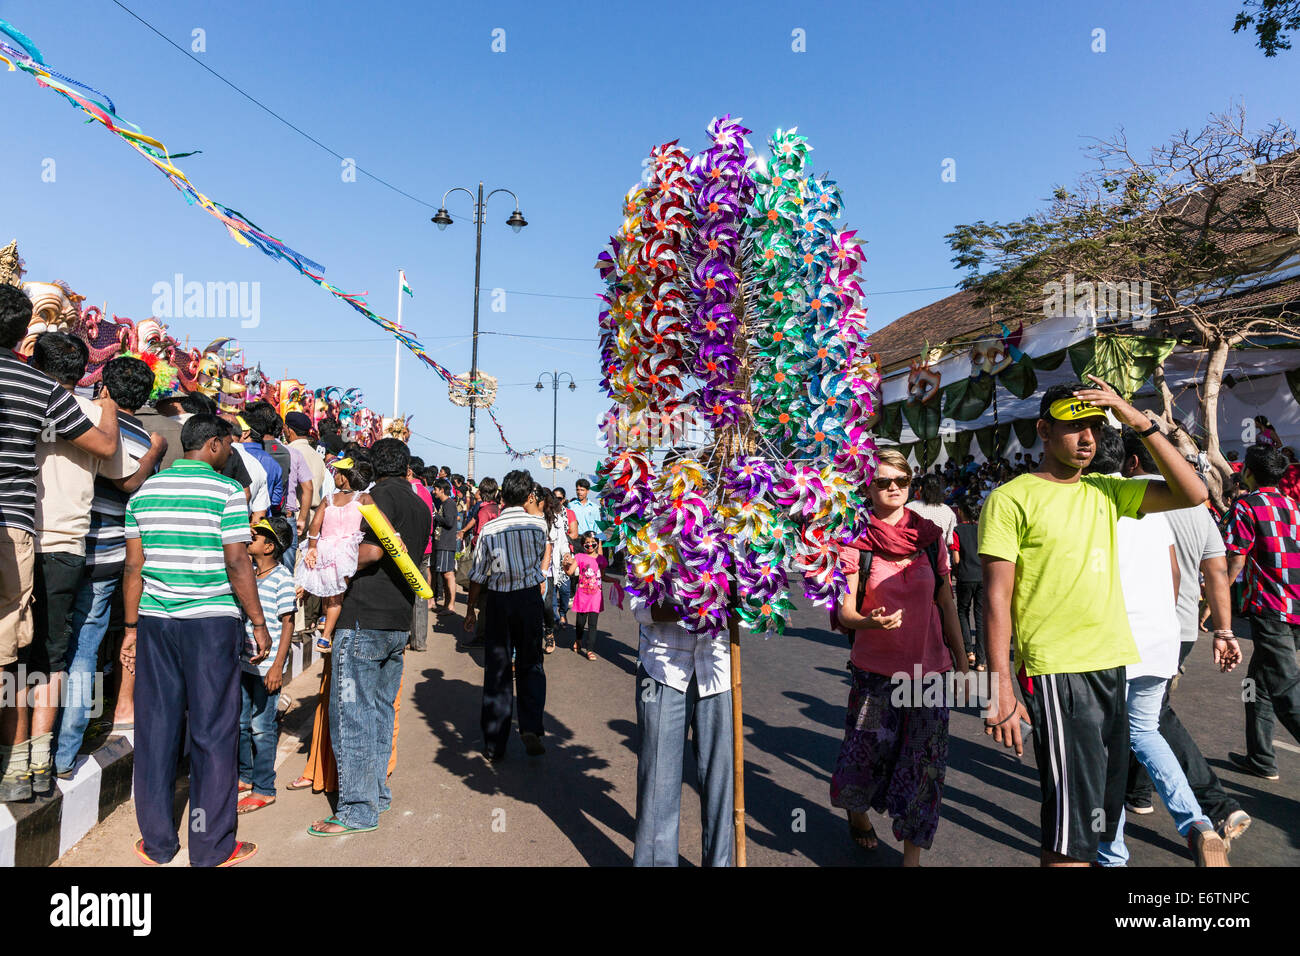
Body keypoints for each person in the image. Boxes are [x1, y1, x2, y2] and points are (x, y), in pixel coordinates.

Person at [979, 377, 1210, 867]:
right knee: (1071, 831)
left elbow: (1194, 493)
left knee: (1097, 822)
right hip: (1059, 673)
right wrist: (1000, 686)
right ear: (1043, 429)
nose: (1087, 438)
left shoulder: (1108, 490)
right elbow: (996, 599)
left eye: (1095, 428)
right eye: (1073, 427)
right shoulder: (1010, 499)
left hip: (1114, 666)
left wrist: (1137, 419)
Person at [122, 414, 267, 866]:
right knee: (212, 732)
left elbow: (133, 568)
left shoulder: (145, 492)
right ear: (216, 445)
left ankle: (159, 842)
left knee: (157, 730)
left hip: (156, 623)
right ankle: (210, 846)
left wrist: (130, 629)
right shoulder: (226, 492)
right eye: (229, 445)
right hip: (210, 624)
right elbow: (238, 562)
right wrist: (258, 622)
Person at [1083, 426, 1229, 866]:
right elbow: (1175, 575)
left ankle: (1112, 852)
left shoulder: (1090, 501)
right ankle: (1199, 824)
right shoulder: (1152, 503)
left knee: (1107, 749)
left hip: (1112, 641)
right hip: (1160, 636)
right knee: (1144, 732)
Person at [0, 285, 120, 804]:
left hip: (33, 541)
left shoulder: (44, 397)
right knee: (36, 659)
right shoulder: (55, 401)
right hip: (46, 542)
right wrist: (109, 407)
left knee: (20, 661)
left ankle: (20, 764)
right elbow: (110, 451)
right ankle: (33, 768)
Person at [831, 449, 968, 865]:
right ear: (867, 488)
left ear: (911, 485)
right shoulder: (854, 539)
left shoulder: (929, 536)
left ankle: (912, 858)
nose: (892, 488)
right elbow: (844, 611)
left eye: (901, 482)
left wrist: (962, 662)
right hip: (874, 678)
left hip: (928, 676)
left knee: (925, 766)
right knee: (865, 751)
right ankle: (857, 812)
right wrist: (868, 622)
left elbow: (946, 602)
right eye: (882, 482)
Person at [1118, 429, 1251, 846]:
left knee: (1151, 720)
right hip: (1182, 629)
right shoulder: (1198, 507)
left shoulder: (1134, 495)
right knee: (1148, 714)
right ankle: (1137, 793)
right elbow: (1216, 573)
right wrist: (1224, 630)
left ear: (1134, 463)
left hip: (1140, 626)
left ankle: (1215, 806)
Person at [308, 438, 429, 837]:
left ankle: (358, 809)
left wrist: (329, 561)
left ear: (372, 466)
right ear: (406, 467)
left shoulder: (372, 498)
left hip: (362, 620)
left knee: (353, 715)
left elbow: (373, 551)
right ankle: (375, 794)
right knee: (378, 712)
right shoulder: (418, 504)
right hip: (397, 620)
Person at [55, 356, 167, 778]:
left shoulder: (81, 411)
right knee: (84, 649)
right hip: (108, 557)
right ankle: (67, 751)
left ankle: (35, 747)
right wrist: (154, 451)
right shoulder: (145, 439)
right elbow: (132, 488)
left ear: (103, 384)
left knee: (48, 650)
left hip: (61, 546)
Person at [632, 593, 733, 866]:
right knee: (658, 782)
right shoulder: (646, 547)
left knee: (721, 782)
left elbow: (754, 585)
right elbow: (641, 607)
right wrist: (701, 603)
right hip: (663, 667)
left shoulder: (736, 546)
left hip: (720, 667)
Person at [1224, 444, 1300, 781]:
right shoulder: (1294, 506)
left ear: (1249, 472)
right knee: (1257, 684)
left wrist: (1215, 598)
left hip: (1272, 609)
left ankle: (1261, 756)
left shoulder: (1246, 505)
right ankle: (1261, 757)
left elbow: (1236, 557)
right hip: (1295, 607)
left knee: (1285, 689)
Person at [464, 470, 549, 761]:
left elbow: (477, 574)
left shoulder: (489, 529)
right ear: (528, 497)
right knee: (531, 664)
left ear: (503, 495)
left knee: (498, 670)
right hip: (528, 599)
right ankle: (532, 727)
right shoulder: (538, 526)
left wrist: (471, 610)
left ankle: (494, 742)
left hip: (499, 601)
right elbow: (539, 560)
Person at [236, 516, 296, 814]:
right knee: (242, 723)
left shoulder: (282, 578)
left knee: (262, 727)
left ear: (269, 546)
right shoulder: (250, 574)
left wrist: (277, 667)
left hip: (266, 667)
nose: (251, 538)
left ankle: (264, 787)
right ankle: (245, 776)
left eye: (257, 537)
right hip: (245, 664)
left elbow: (287, 623)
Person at [297, 459, 372, 652]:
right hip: (345, 552)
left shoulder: (328, 499)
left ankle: (323, 619)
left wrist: (313, 546)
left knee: (326, 586)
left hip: (325, 547)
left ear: (345, 477)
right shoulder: (363, 498)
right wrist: (395, 536)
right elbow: (378, 519)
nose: (335, 476)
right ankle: (325, 637)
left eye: (337, 473)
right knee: (336, 595)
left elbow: (315, 526)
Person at [562, 531, 614, 660]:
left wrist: (614, 580)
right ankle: (578, 639)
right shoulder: (579, 557)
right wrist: (564, 565)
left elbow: (602, 576)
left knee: (593, 623)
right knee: (580, 622)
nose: (590, 546)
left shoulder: (601, 559)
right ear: (583, 545)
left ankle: (590, 650)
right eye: (587, 544)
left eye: (593, 543)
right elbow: (570, 572)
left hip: (596, 596)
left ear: (597, 543)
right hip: (582, 595)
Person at [952, 500, 985, 671]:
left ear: (963, 513)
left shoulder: (958, 531)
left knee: (963, 612)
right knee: (980, 617)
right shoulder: (983, 529)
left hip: (965, 575)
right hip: (982, 576)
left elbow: (956, 558)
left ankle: (968, 651)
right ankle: (981, 660)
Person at [407, 458, 435, 650]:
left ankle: (416, 640)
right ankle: (419, 639)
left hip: (415, 548)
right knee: (420, 592)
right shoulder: (426, 491)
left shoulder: (412, 490)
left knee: (414, 593)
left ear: (409, 471)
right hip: (425, 547)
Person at [906, 473, 957, 548]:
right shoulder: (948, 511)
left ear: (920, 488)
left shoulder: (909, 508)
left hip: (916, 555)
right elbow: (950, 541)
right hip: (942, 555)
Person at [430, 478, 459, 616]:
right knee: (444, 574)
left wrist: (435, 515)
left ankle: (451, 606)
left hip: (446, 544)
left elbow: (448, 522)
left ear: (442, 490)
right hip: (443, 543)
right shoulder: (446, 503)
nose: (434, 492)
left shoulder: (449, 504)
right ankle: (447, 605)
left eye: (435, 489)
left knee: (448, 574)